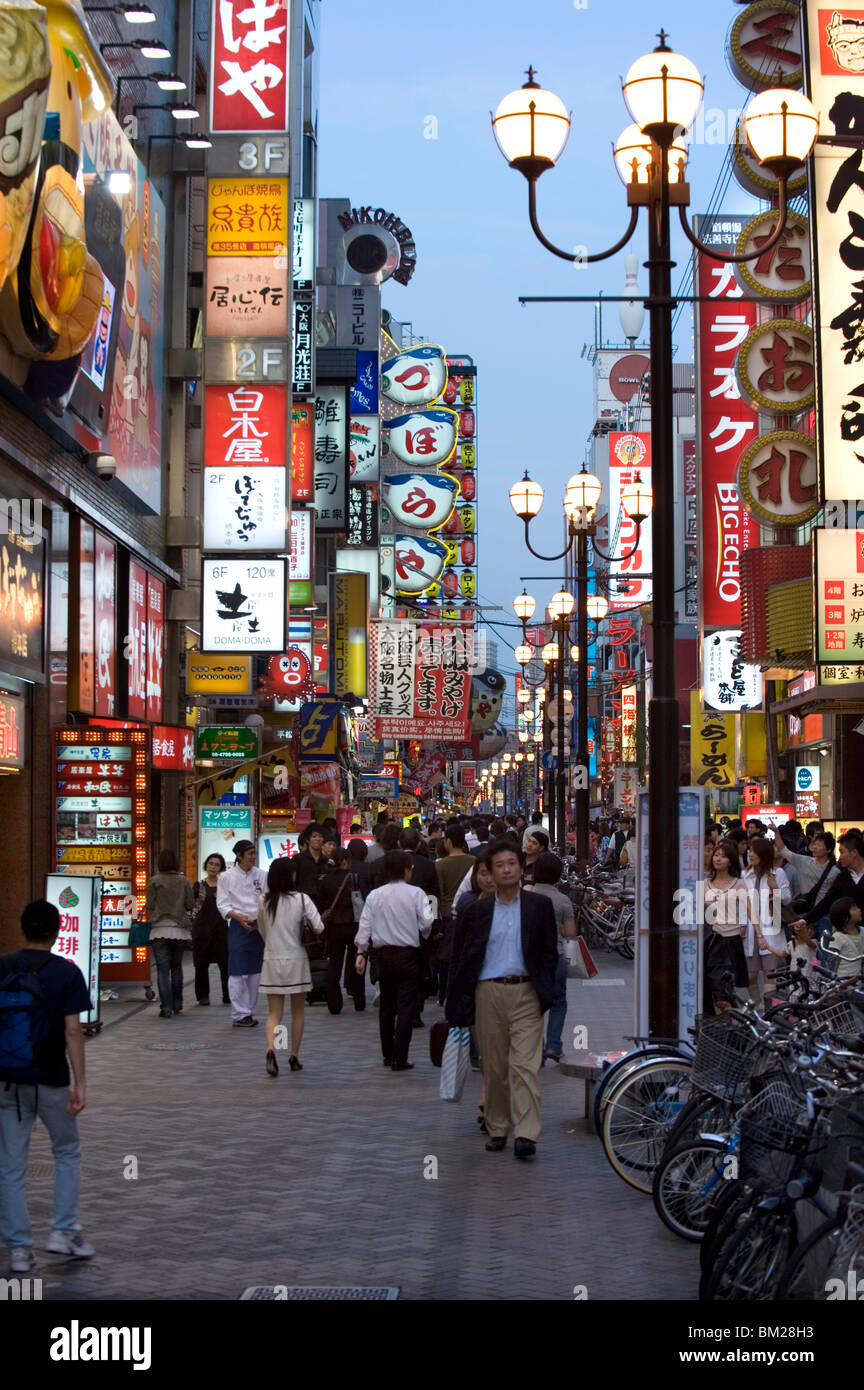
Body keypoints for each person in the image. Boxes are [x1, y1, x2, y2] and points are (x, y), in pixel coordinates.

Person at [446, 838, 558, 1159]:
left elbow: (550, 953)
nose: (507, 870)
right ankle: (497, 1126)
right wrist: (456, 1000)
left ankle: (526, 1133)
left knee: (525, 1066)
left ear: (522, 869)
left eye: (512, 864)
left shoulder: (539, 907)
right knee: (494, 1068)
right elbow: (461, 957)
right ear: (489, 874)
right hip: (488, 992)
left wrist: (545, 991)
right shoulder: (475, 911)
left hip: (526, 992)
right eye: (499, 865)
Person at [0, 900, 94, 1272]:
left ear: (22, 930)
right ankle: (63, 1230)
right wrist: (81, 1082)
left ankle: (19, 1249)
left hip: (8, 1081)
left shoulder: (3, 966)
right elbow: (73, 1030)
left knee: (10, 1166)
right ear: (57, 933)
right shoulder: (65, 972)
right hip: (52, 1079)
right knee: (67, 1151)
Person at [354, 850, 433, 1071]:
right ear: (407, 870)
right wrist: (419, 932)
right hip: (408, 954)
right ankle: (400, 1056)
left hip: (383, 955)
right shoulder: (416, 893)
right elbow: (427, 922)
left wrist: (361, 953)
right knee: (406, 1006)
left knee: (387, 1006)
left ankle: (387, 1054)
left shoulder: (375, 895)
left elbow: (365, 926)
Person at [258, 857, 326, 1075]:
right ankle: (293, 1055)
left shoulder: (264, 900)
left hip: (272, 959)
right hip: (297, 959)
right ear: (291, 876)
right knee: (297, 1012)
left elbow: (262, 930)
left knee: (274, 1013)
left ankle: (273, 1050)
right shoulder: (302, 899)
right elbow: (318, 926)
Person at [527, 851, 576, 1064]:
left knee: (533, 1005)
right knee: (558, 1001)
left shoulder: (525, 895)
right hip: (556, 956)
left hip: (531, 959)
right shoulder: (563, 900)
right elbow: (570, 933)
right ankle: (554, 1046)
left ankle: (535, 1049)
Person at [217, 840, 267, 1028]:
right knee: (237, 972)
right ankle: (239, 1013)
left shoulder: (262, 875)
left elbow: (266, 899)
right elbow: (222, 904)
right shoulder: (226, 877)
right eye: (249, 853)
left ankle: (249, 1011)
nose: (253, 857)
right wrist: (238, 917)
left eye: (254, 853)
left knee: (255, 972)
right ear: (239, 855)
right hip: (238, 926)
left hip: (257, 926)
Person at [702, 839, 751, 1013]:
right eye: (716, 855)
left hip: (731, 941)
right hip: (709, 941)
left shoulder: (739, 883)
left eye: (723, 856)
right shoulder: (705, 884)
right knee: (712, 987)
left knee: (726, 989)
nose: (718, 859)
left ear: (730, 860)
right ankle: (719, 1026)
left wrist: (760, 937)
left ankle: (730, 1026)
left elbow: (750, 911)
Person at [145, 849, 194, 1018]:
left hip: (159, 929)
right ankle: (177, 1004)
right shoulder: (183, 881)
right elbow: (190, 904)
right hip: (180, 929)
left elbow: (149, 904)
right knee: (177, 967)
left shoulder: (154, 881)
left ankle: (165, 1007)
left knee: (162, 970)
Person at [317, 848, 365, 1013]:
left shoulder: (325, 880)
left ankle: (334, 1004)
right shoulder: (354, 879)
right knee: (357, 962)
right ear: (345, 861)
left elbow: (321, 905)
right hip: (353, 926)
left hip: (334, 927)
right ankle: (359, 1001)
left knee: (335, 965)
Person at [742, 838, 789, 1000]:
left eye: (754, 851)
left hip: (770, 928)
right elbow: (741, 903)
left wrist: (775, 888)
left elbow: (787, 899)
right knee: (750, 974)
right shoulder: (745, 875)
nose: (751, 854)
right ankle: (757, 1006)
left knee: (770, 974)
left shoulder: (778, 873)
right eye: (750, 850)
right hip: (750, 929)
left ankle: (768, 1012)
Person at [434, 826, 476, 1004]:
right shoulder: (474, 861)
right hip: (471, 911)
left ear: (448, 841)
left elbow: (438, 892)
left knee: (446, 957)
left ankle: (444, 994)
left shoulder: (440, 865)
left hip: (446, 914)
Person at [191, 853, 230, 1007]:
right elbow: (191, 908)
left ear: (221, 868)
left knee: (225, 963)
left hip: (220, 930)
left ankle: (228, 995)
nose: (213, 867)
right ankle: (203, 996)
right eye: (211, 864)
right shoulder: (198, 886)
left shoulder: (225, 886)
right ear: (206, 866)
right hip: (201, 930)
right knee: (201, 964)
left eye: (217, 865)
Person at [826, 896, 864, 980]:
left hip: (858, 980)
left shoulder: (862, 931)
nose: (859, 909)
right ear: (845, 918)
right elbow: (832, 962)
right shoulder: (837, 937)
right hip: (843, 980)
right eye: (854, 908)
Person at [292, 826, 326, 898]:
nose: (318, 839)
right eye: (314, 836)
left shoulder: (326, 860)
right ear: (308, 840)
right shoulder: (298, 859)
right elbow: (292, 881)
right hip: (302, 901)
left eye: (320, 836)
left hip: (322, 903)